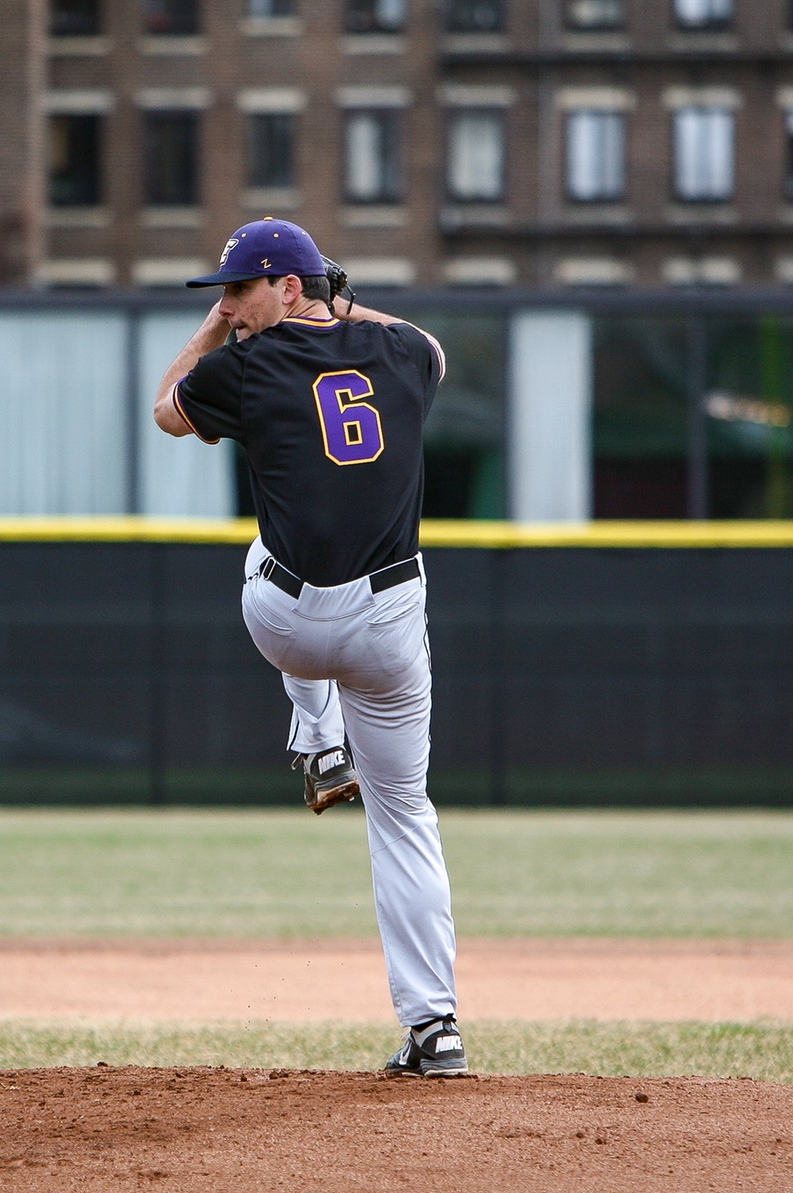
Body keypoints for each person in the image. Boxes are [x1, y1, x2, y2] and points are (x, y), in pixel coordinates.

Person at [152, 218, 467, 1078]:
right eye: (221, 297)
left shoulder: (243, 368)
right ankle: (435, 1025)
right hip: (388, 626)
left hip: (289, 623)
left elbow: (166, 410)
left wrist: (212, 334)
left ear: (286, 287)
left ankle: (319, 740)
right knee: (404, 816)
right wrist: (342, 304)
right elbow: (433, 348)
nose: (228, 307)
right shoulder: (401, 354)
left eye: (239, 289)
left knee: (262, 544)